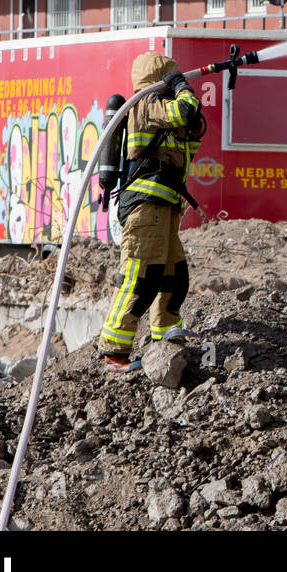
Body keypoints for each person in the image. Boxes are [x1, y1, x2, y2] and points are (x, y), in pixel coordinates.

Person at [99, 51, 204, 373]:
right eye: (171, 77)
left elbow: (189, 142)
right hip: (146, 206)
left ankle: (165, 336)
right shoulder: (145, 103)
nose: (177, 83)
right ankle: (113, 352)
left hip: (164, 206)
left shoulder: (160, 110)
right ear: (162, 79)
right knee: (140, 280)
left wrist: (190, 125)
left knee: (175, 278)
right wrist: (181, 86)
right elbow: (185, 109)